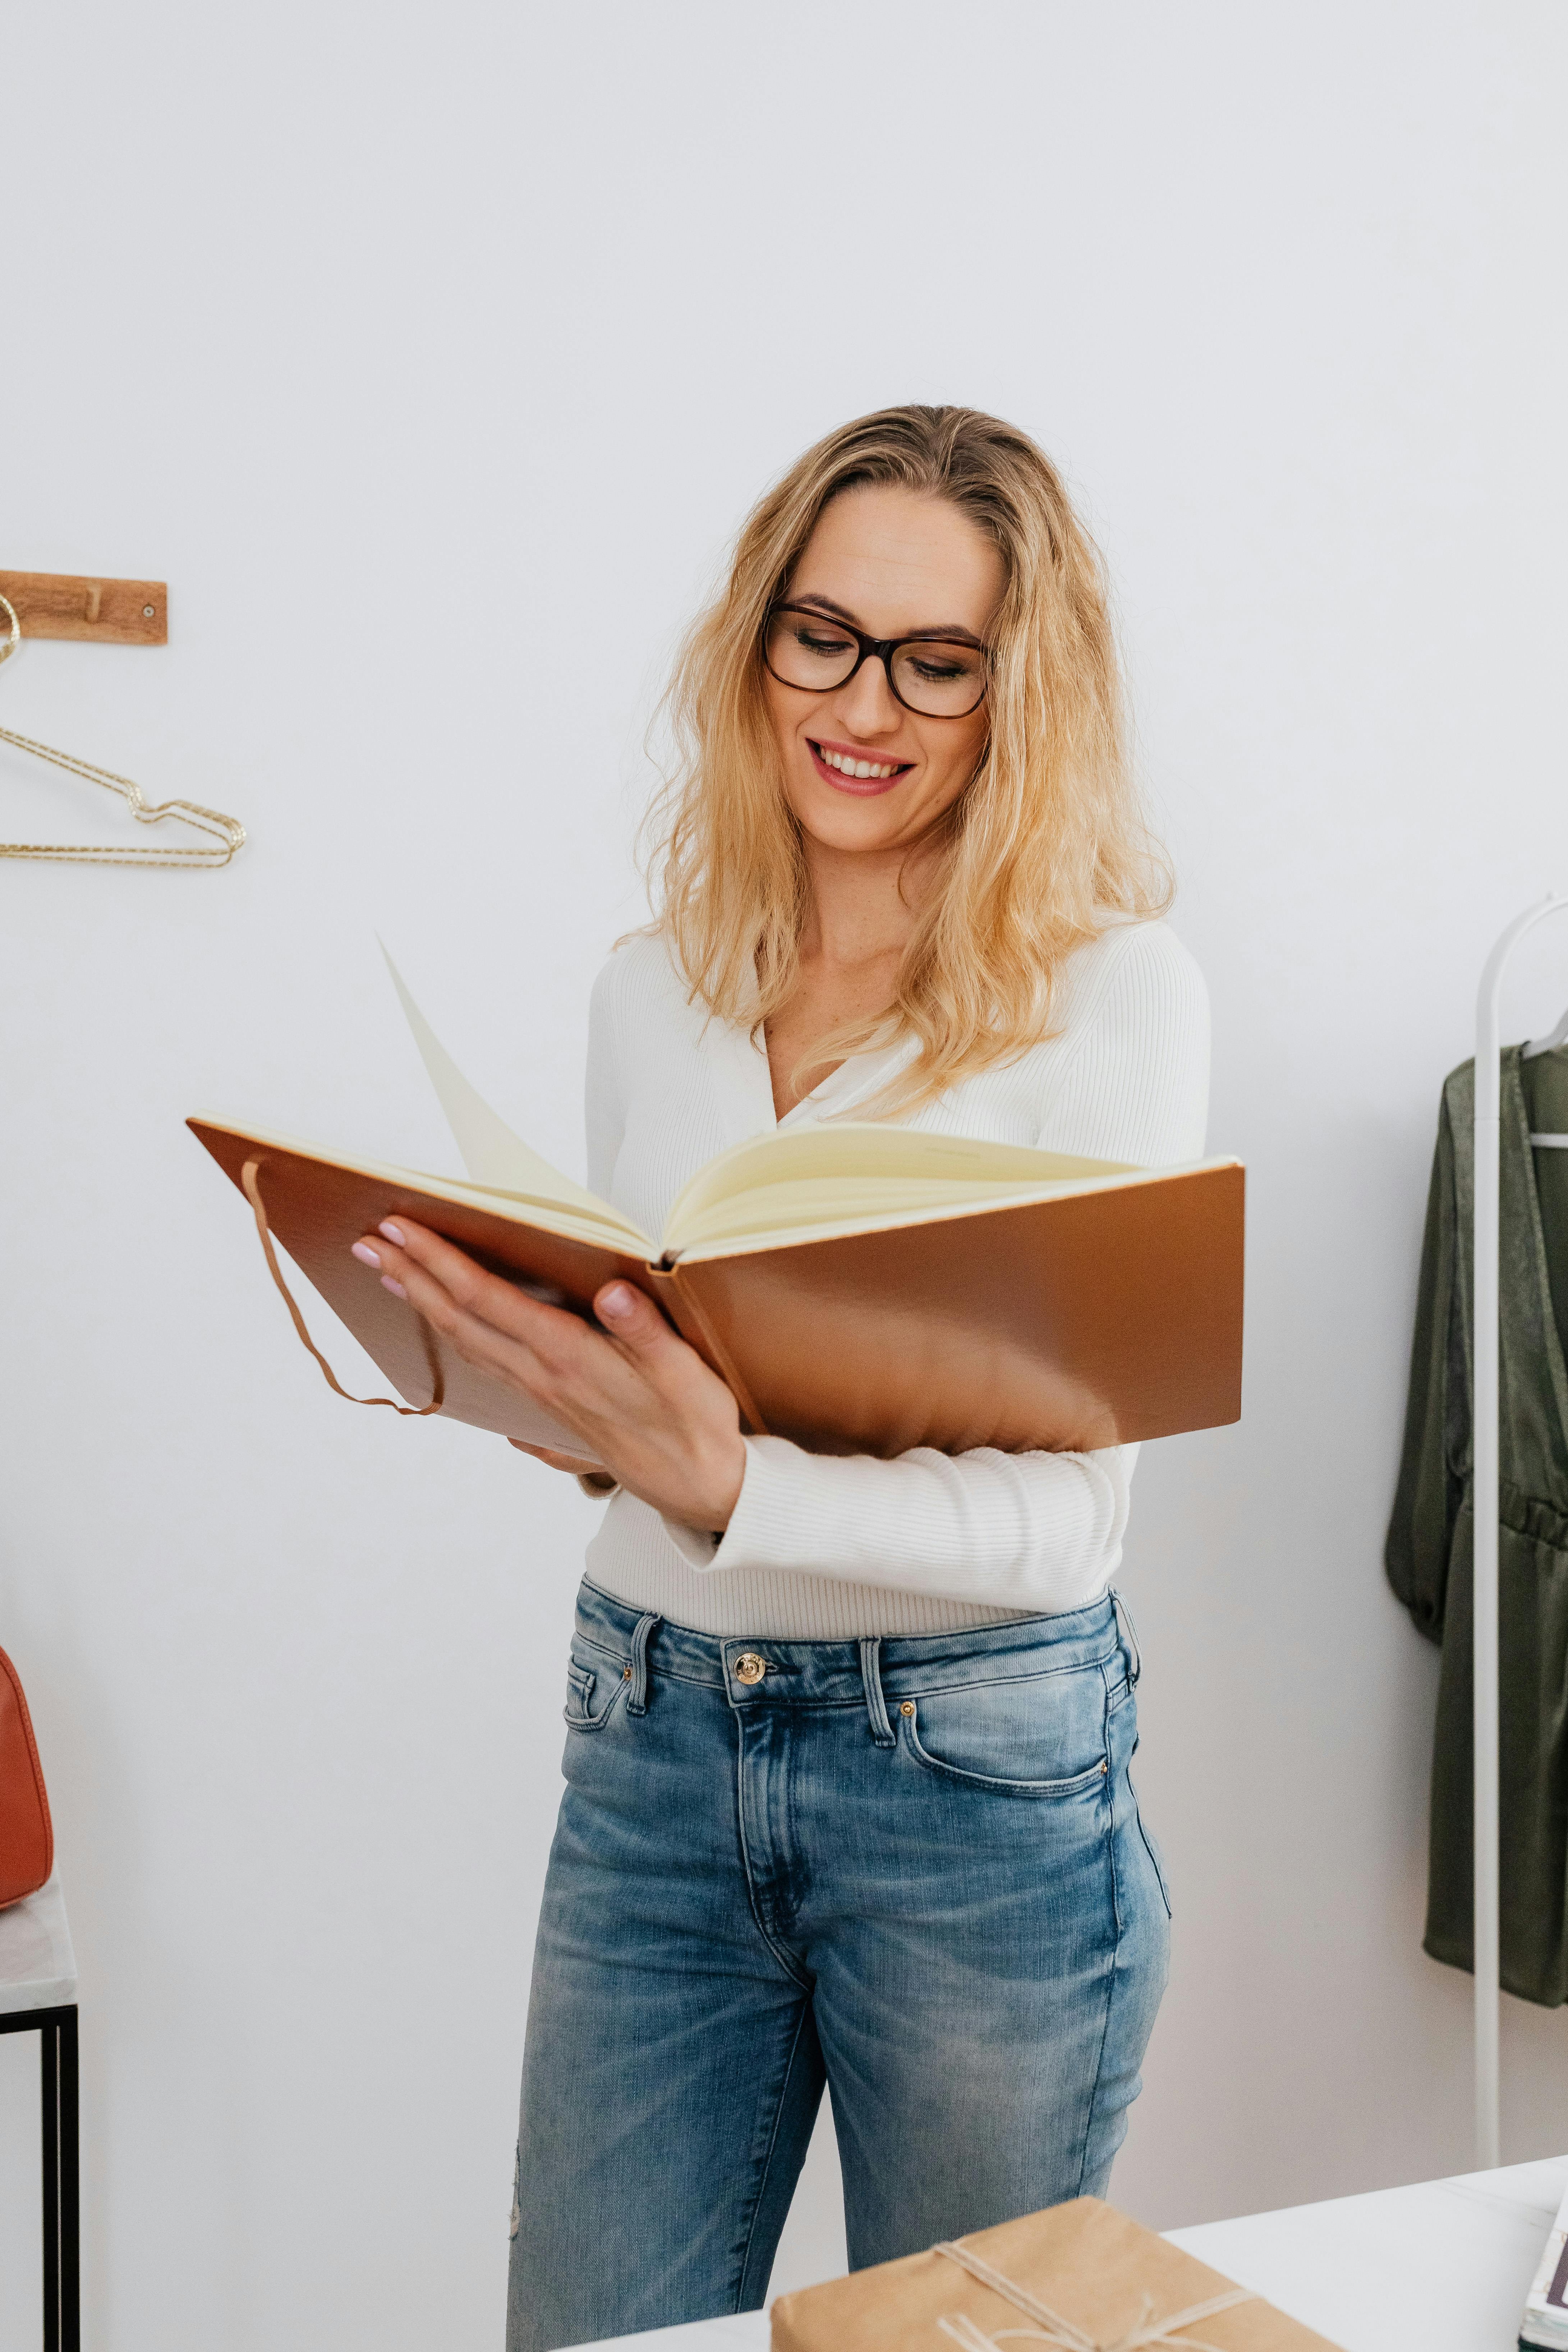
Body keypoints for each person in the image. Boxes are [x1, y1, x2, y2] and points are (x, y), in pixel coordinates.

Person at [351, 406, 1208, 2351]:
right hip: (651, 1733)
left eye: (938, 661)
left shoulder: (1112, 1000)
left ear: (1022, 694)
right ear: (756, 642)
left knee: (956, 2343)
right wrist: (520, 1374)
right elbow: (668, 1394)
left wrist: (729, 1478)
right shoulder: (652, 986)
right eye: (821, 635)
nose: (865, 705)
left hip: (974, 1777)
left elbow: (1074, 1518)